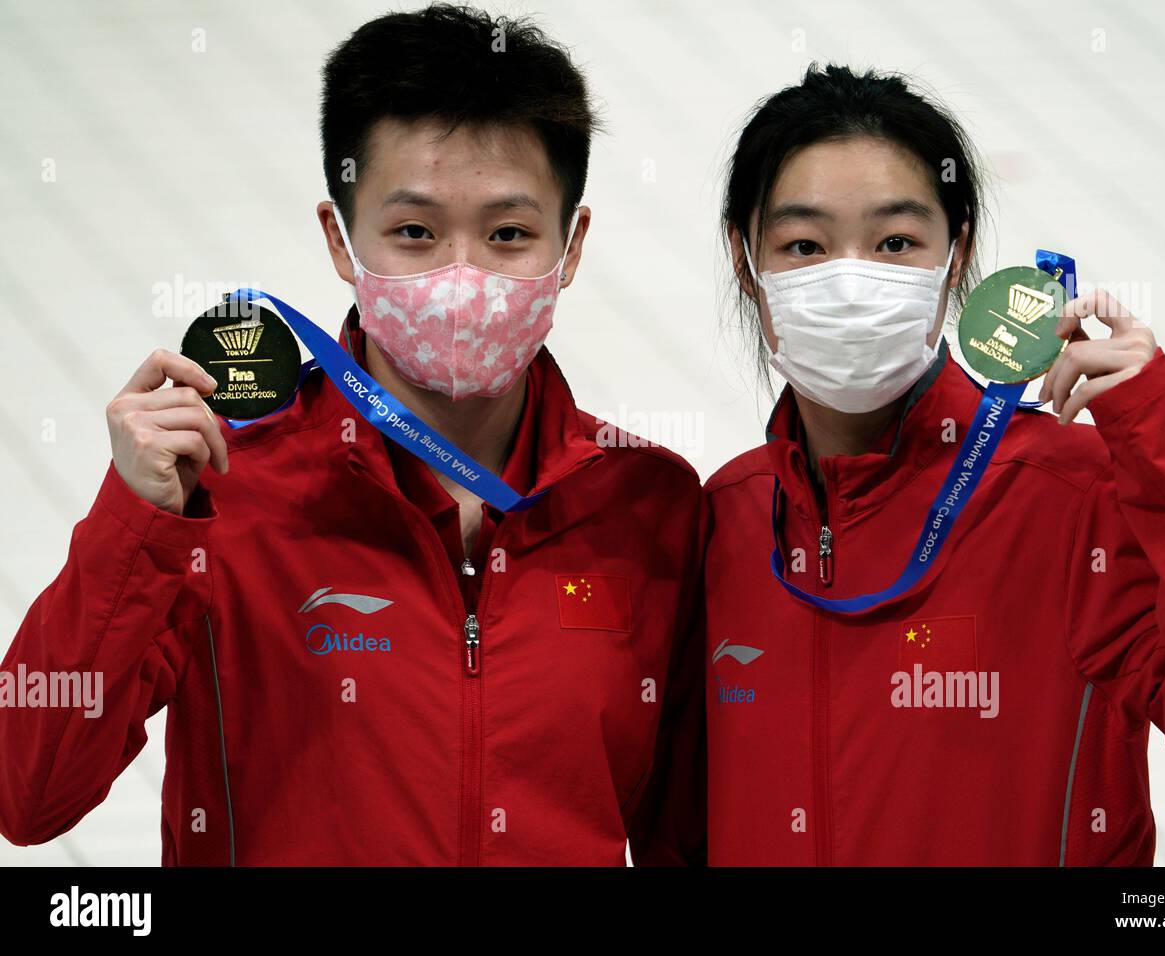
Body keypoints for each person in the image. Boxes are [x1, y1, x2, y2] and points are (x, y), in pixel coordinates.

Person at [0, 3, 705, 867]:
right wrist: (135, 524)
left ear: (573, 244)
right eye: (414, 232)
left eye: (509, 234)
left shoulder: (647, 506)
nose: (462, 272)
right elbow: (26, 793)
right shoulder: (223, 492)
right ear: (341, 239)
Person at [704, 63, 1165, 865]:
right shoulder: (722, 518)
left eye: (895, 243)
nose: (851, 281)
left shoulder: (1074, 497)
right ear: (748, 264)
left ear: (958, 258)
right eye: (803, 245)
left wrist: (1160, 436)